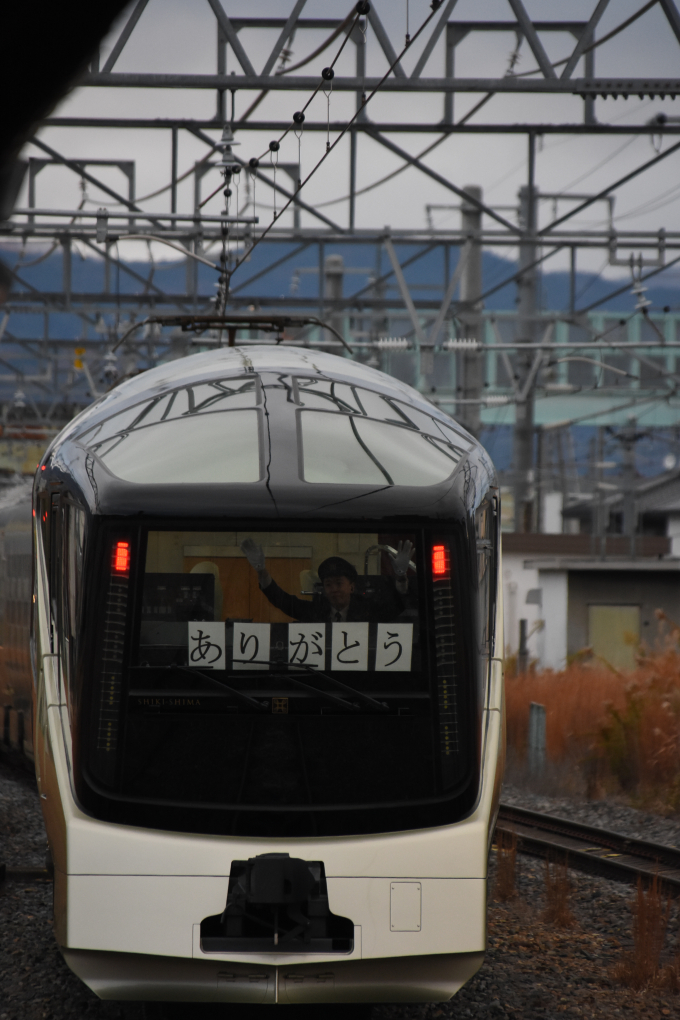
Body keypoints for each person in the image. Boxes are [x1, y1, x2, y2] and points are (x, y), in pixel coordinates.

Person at [240, 539, 414, 624]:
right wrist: (261, 570)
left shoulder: (368, 610)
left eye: (339, 583)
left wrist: (400, 576)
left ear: (352, 586)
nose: (334, 589)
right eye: (328, 585)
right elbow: (281, 600)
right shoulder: (315, 610)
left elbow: (396, 605)